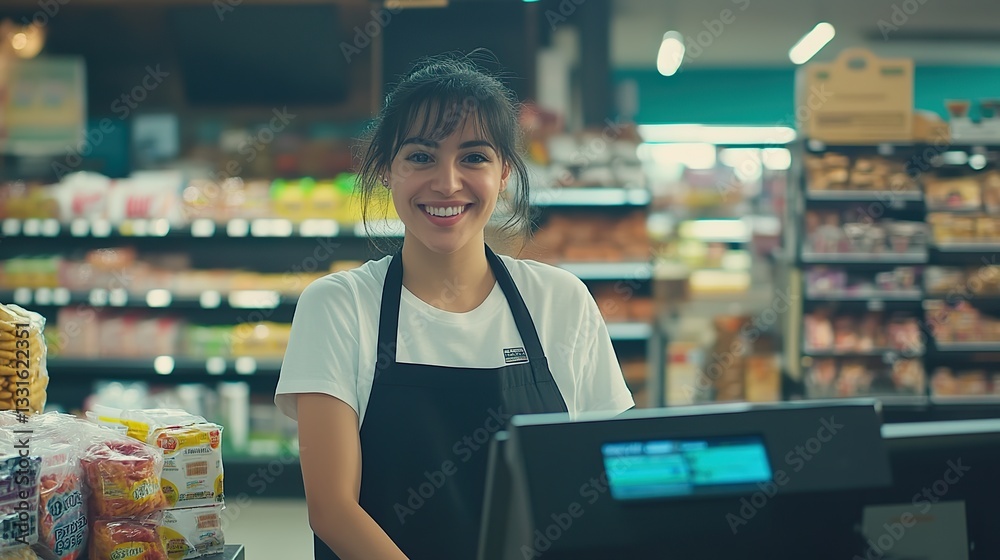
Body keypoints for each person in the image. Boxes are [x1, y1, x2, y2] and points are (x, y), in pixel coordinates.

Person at [274, 52, 635, 560]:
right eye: (420, 157)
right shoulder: (338, 306)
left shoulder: (561, 301)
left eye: (474, 156)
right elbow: (332, 509)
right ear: (385, 170)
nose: (447, 183)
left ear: (505, 171)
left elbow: (605, 475)